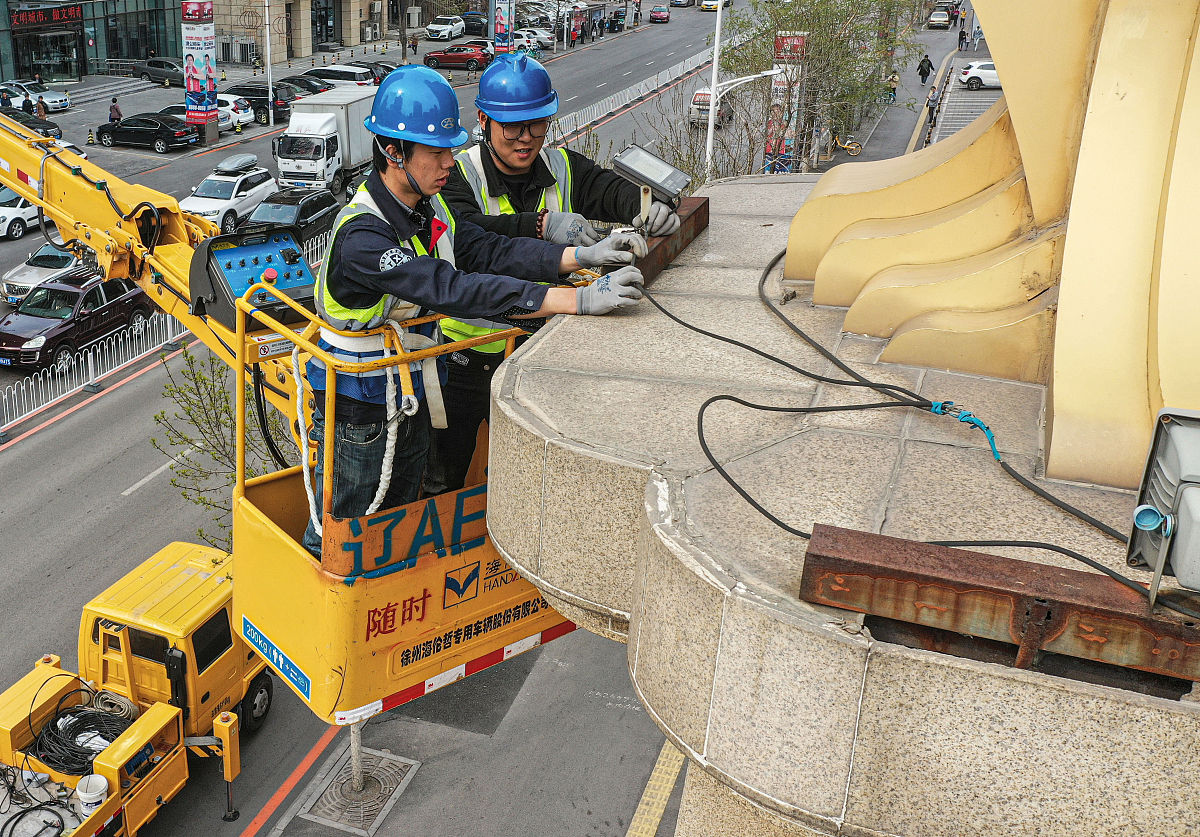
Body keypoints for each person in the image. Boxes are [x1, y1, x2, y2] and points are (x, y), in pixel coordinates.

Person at [300, 65, 646, 557]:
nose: (448, 162)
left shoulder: (429, 208)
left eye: (449, 149)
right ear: (394, 152)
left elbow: (486, 249)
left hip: (406, 384)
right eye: (437, 152)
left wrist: (574, 257)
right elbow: (450, 287)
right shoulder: (364, 235)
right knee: (350, 521)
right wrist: (573, 300)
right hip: (361, 402)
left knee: (401, 506)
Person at [434, 53, 681, 495]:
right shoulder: (457, 176)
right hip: (465, 355)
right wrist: (543, 226)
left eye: (537, 124)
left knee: (532, 474)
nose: (525, 139)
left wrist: (646, 208)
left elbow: (604, 188)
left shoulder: (561, 166)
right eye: (512, 127)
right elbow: (471, 241)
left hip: (538, 348)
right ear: (484, 122)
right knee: (442, 473)